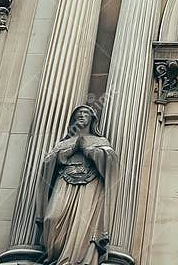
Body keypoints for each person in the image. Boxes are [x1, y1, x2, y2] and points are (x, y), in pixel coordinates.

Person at [37, 105, 118, 265]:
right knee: (52, 218)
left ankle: (76, 260)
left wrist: (88, 150)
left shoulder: (100, 141)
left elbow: (111, 162)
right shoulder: (64, 142)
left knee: (82, 225)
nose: (81, 115)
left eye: (85, 113)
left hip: (90, 185)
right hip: (64, 181)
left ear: (92, 119)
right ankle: (55, 256)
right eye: (78, 113)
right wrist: (68, 151)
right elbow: (47, 163)